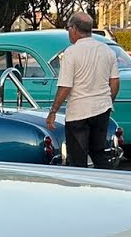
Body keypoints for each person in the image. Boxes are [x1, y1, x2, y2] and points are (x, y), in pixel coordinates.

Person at [45, 11, 119, 168]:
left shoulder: (71, 53)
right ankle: (107, 184)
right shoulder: (107, 51)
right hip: (102, 108)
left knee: (77, 157)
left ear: (74, 28)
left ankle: (80, 188)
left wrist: (53, 111)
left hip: (78, 111)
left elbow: (65, 86)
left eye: (68, 29)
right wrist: (107, 100)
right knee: (98, 152)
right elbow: (115, 82)